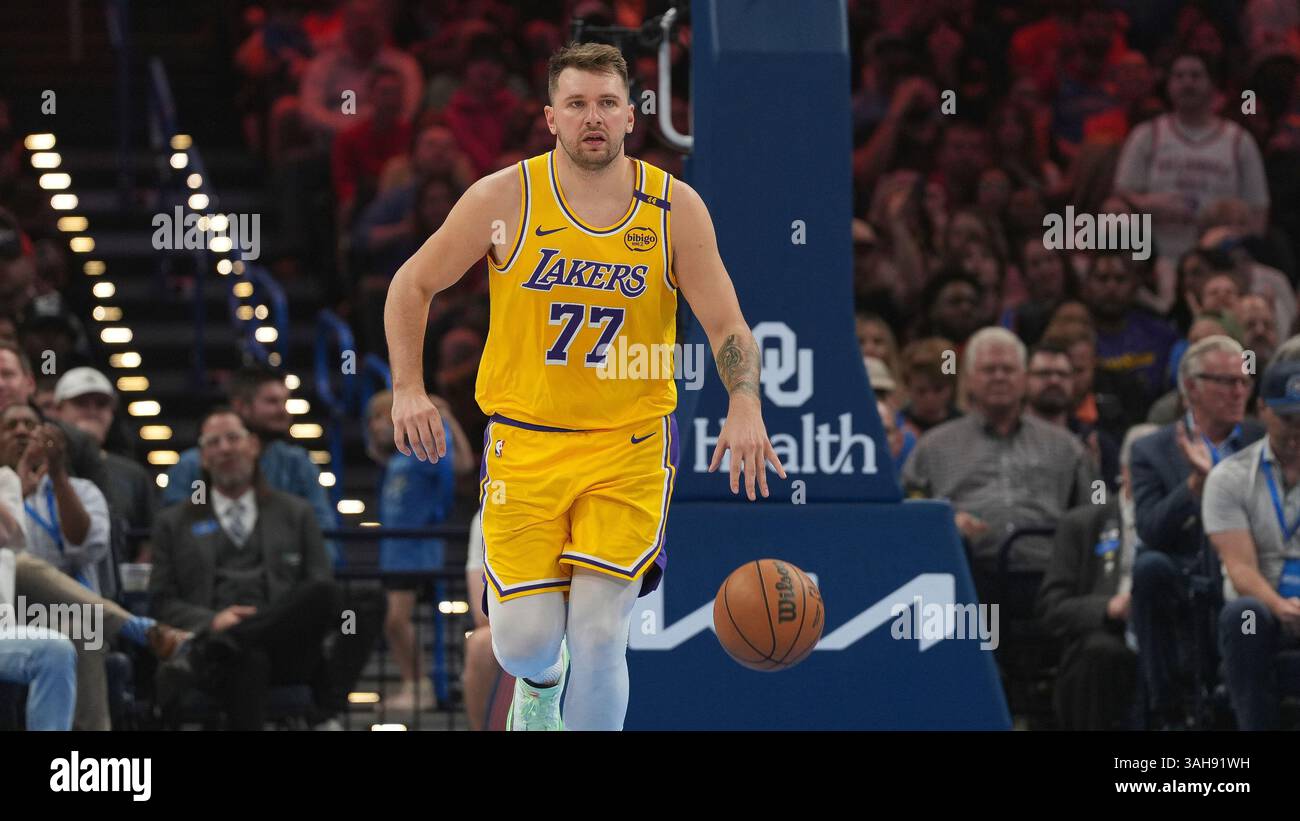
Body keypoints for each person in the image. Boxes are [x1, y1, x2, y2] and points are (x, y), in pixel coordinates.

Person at [384, 43, 785, 731]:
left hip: (628, 445)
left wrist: (745, 402)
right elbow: (411, 283)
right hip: (526, 441)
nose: (592, 117)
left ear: (632, 115)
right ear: (550, 117)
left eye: (606, 103)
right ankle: (541, 683)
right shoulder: (504, 196)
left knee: (600, 634)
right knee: (521, 640)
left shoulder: (673, 208)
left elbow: (728, 325)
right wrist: (407, 388)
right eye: (576, 104)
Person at [150, 408, 382, 729]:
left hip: (286, 646)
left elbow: (318, 587)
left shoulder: (295, 512)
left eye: (234, 438)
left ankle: (238, 648)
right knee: (247, 659)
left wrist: (247, 628)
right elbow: (161, 602)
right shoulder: (173, 523)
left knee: (347, 595)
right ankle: (231, 645)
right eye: (214, 442)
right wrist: (214, 620)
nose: (226, 448)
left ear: (254, 446)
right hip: (219, 648)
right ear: (203, 457)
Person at [1129, 335, 1263, 726]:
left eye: (1244, 382)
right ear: (1191, 387)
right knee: (1149, 566)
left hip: (1251, 564)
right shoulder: (1151, 449)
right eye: (1226, 382)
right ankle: (1167, 709)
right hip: (1185, 572)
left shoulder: (1262, 440)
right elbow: (1151, 529)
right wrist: (1194, 487)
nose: (1239, 392)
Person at [901, 327, 1096, 593]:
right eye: (989, 370)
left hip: (1048, 578)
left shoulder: (1066, 446)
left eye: (1008, 369)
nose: (999, 377)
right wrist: (945, 521)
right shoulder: (933, 446)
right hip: (965, 576)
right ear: (969, 379)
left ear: (1024, 378)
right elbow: (907, 511)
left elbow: (1095, 509)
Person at [1204, 360, 1300, 728]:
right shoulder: (1229, 477)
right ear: (1261, 410)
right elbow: (1239, 567)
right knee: (1242, 616)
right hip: (1264, 609)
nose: (1296, 432)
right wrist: (1281, 607)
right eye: (1286, 419)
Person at [1113, 50, 1270, 266]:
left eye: (1196, 76)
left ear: (1213, 84)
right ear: (1168, 85)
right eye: (1179, 76)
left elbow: (1258, 211)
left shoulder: (1239, 141)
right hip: (1155, 255)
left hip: (1219, 258)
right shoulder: (1147, 135)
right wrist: (1149, 204)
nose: (1187, 83)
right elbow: (1121, 197)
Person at [365, 389, 457, 712]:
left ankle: (419, 685)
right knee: (392, 621)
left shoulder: (423, 452)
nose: (375, 425)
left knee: (395, 621)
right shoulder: (395, 459)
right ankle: (414, 684)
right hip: (394, 551)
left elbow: (460, 465)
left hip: (414, 550)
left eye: (381, 417)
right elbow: (374, 447)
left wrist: (446, 419)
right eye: (372, 419)